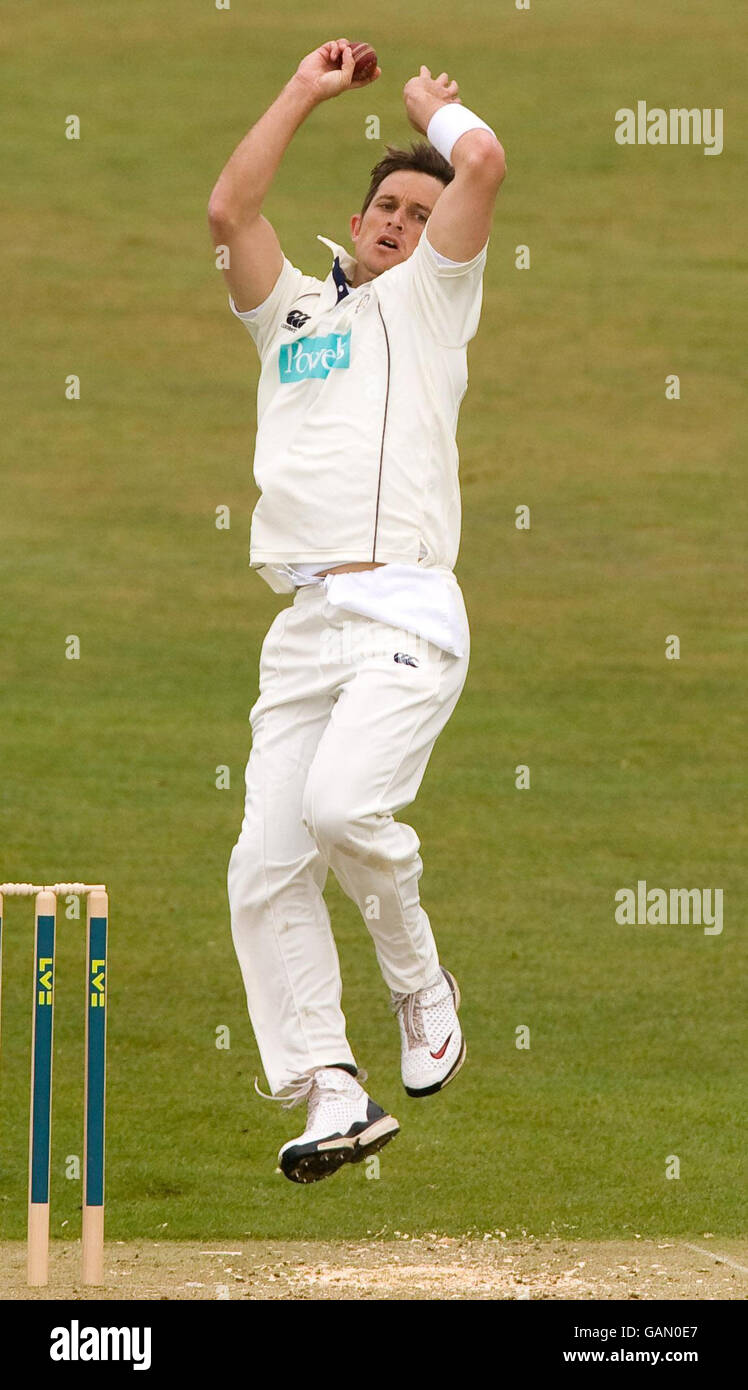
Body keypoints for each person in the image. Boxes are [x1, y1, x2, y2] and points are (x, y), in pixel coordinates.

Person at [209, 38, 506, 1184]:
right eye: (384, 206)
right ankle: (330, 1086)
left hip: (406, 609)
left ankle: (420, 986)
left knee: (341, 809)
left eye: (416, 212)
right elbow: (232, 209)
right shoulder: (288, 316)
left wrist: (437, 115)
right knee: (262, 868)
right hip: (305, 625)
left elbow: (481, 163)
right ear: (361, 214)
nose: (397, 222)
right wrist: (303, 87)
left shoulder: (436, 299)